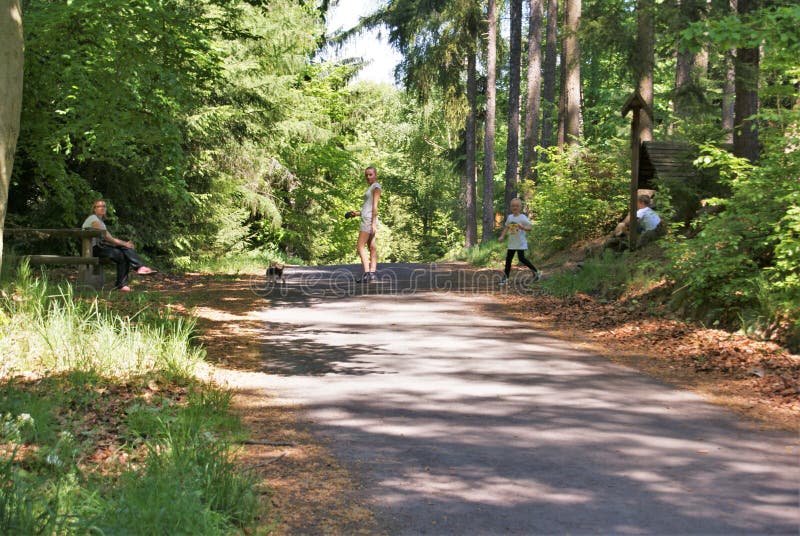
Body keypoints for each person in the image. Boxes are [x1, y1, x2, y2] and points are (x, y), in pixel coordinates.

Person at [82, 199, 156, 291]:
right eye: (99, 206)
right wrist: (125, 244)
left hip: (100, 247)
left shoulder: (101, 222)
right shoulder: (93, 219)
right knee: (122, 252)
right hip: (92, 250)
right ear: (94, 209)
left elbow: (109, 239)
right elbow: (109, 238)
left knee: (124, 252)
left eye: (104, 206)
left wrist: (125, 245)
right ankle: (135, 271)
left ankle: (126, 281)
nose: (102, 208)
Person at [347, 166, 382, 282]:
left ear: (375, 175)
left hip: (369, 220)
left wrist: (373, 224)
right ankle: (372, 274)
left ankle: (367, 273)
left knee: (360, 246)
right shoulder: (371, 187)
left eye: (370, 174)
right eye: (366, 175)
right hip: (368, 217)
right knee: (372, 247)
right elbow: (368, 207)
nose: (368, 177)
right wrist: (356, 214)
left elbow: (375, 207)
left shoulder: (376, 187)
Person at [498, 198, 540, 284]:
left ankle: (536, 272)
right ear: (510, 207)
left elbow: (530, 227)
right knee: (508, 259)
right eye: (513, 206)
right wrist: (502, 236)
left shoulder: (522, 217)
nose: (515, 207)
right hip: (512, 243)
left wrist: (523, 227)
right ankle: (505, 278)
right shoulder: (510, 217)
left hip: (521, 243)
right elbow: (506, 227)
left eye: (517, 206)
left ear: (520, 207)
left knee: (522, 258)